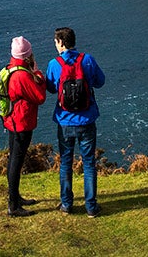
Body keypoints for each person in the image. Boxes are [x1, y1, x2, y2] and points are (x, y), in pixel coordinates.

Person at [45, 26, 106, 217]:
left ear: (61, 42)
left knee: (65, 162)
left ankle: (66, 204)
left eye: (56, 42)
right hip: (87, 119)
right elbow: (100, 81)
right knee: (88, 163)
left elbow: (51, 88)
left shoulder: (54, 64)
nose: (55, 45)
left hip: (65, 121)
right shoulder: (87, 60)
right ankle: (91, 207)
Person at [3, 36, 46, 217]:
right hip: (21, 123)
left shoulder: (10, 68)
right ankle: (13, 206)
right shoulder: (22, 75)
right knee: (16, 161)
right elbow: (40, 97)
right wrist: (38, 74)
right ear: (27, 55)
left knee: (14, 159)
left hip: (12, 120)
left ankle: (15, 197)